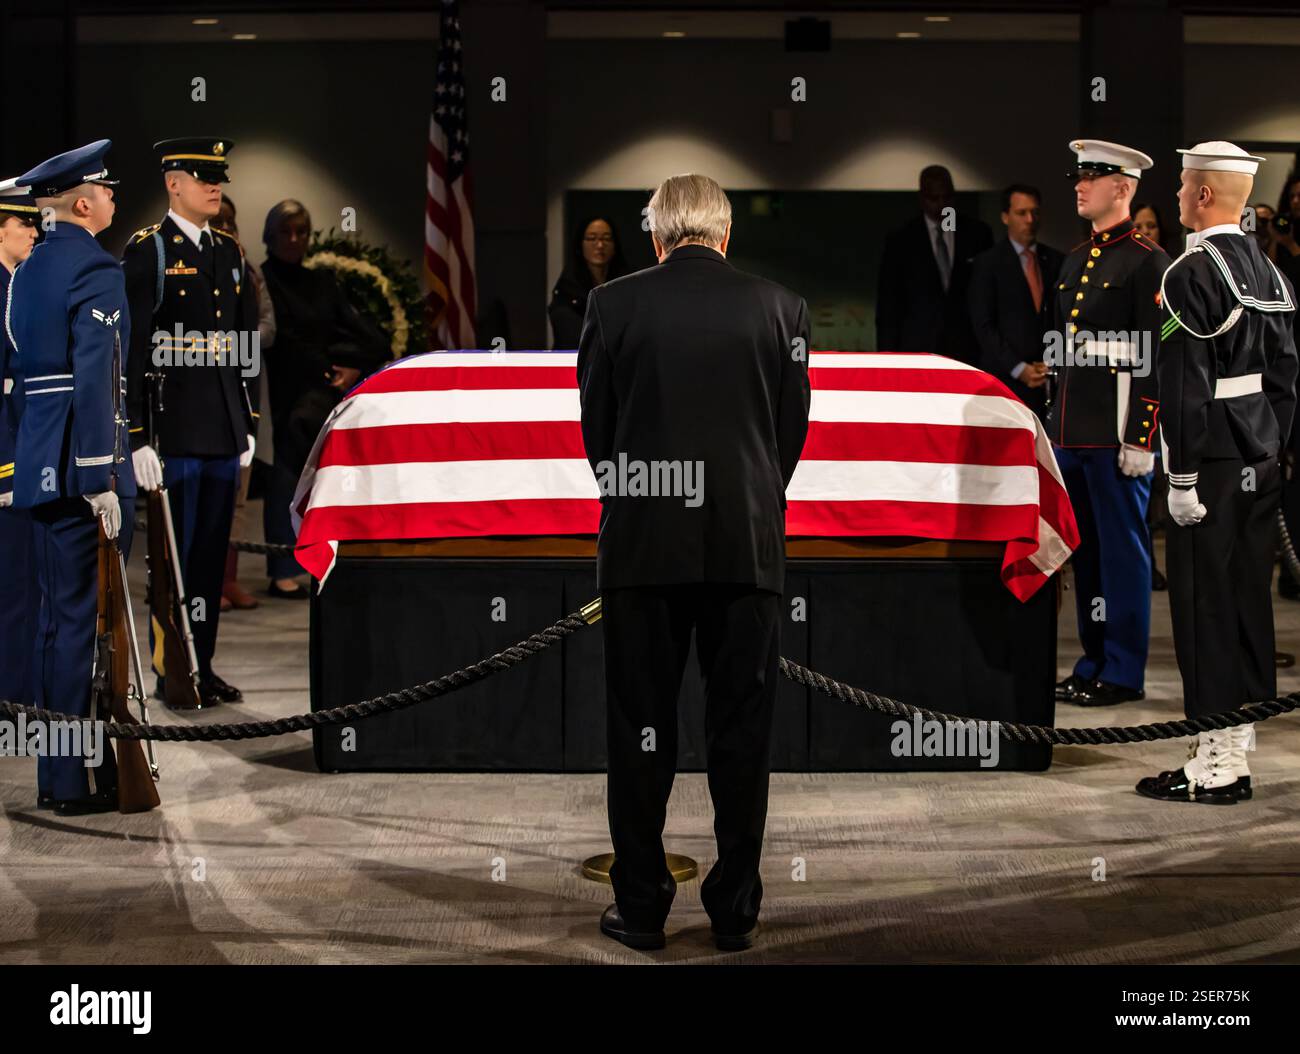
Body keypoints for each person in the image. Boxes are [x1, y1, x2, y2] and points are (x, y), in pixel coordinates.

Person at [578, 173, 810, 951]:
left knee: (639, 734)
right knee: (741, 736)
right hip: (745, 548)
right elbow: (787, 441)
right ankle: (735, 910)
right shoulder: (783, 309)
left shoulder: (612, 305)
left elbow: (598, 437)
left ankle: (641, 908)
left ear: (655, 236)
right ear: (725, 233)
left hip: (643, 551)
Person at [1137, 142, 1298, 804]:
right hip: (1260, 457)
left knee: (1203, 606)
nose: (1176, 197)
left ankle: (1216, 763)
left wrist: (1180, 478)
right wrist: (1271, 449)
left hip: (1210, 463)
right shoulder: (1270, 272)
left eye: (1180, 186)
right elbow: (1287, 378)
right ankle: (1237, 742)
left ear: (1204, 195)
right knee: (1246, 603)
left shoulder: (1188, 274)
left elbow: (1183, 388)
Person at [3, 140, 136, 814]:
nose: (114, 198)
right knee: (82, 626)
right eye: (107, 190)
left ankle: (61, 777)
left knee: (56, 625)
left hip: (36, 466)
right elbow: (96, 381)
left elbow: (30, 375)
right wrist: (101, 476)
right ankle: (75, 777)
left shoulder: (27, 271)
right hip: (77, 469)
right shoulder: (95, 270)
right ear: (83, 202)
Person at [121, 138, 259, 708]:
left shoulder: (228, 253)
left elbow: (244, 344)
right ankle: (172, 668)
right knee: (172, 563)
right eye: (201, 175)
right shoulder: (149, 251)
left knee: (208, 557)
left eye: (218, 176)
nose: (213, 185)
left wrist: (247, 422)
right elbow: (128, 350)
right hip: (173, 430)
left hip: (222, 428)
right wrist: (136, 436)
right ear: (172, 183)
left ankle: (203, 663)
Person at [1049, 140, 1170, 708]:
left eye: (1091, 177)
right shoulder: (1075, 259)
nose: (1079, 185)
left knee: (1124, 552)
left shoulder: (1148, 261)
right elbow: (1063, 347)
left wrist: (1141, 437)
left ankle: (1123, 669)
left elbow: (1153, 358)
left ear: (1122, 188)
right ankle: (1092, 659)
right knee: (1088, 553)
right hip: (1074, 428)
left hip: (1117, 431)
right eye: (1078, 176)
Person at [258, 199, 389, 597]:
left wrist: (349, 367)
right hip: (283, 393)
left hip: (327, 392)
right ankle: (282, 565)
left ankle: (329, 556)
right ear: (270, 236)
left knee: (329, 477)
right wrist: (328, 366)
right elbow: (282, 342)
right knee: (284, 477)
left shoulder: (322, 282)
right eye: (286, 231)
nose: (294, 239)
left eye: (301, 231)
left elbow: (370, 336)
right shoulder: (264, 279)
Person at [214, 192, 275, 613]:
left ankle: (227, 577)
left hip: (244, 394)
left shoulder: (248, 270)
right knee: (204, 499)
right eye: (219, 222)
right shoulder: (194, 267)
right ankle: (200, 584)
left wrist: (242, 341)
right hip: (203, 399)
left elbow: (268, 325)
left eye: (230, 223)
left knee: (238, 497)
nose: (226, 230)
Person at [877, 164, 992, 362]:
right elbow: (888, 305)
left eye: (946, 197)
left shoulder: (977, 234)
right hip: (916, 348)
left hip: (968, 349)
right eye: (934, 198)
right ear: (922, 198)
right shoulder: (901, 239)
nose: (941, 204)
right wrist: (887, 358)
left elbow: (989, 295)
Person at [968, 183, 1064, 417]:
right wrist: (1019, 368)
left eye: (1035, 212)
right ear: (1005, 216)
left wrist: (1052, 362)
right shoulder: (987, 264)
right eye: (1022, 213)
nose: (1030, 219)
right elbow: (983, 325)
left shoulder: (1057, 261)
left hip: (1049, 381)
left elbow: (1060, 319)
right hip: (1004, 381)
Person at [0, 178, 40, 712]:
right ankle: (13, 701)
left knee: (24, 591)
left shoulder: (16, 284)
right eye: (23, 222)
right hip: (8, 462)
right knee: (13, 593)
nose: (34, 229)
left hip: (22, 456)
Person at [549, 215, 628, 349]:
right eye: (592, 238)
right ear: (580, 244)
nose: (600, 245)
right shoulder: (567, 288)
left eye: (607, 238)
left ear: (615, 246)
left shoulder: (626, 284)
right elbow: (569, 335)